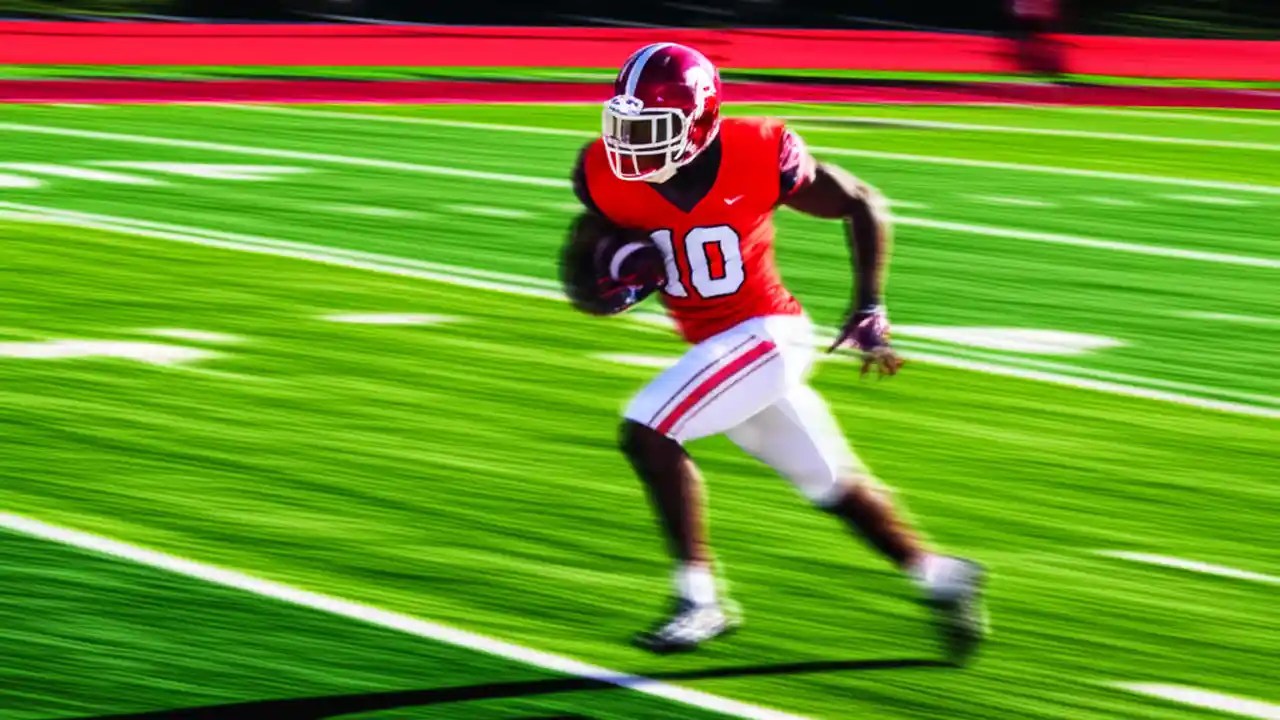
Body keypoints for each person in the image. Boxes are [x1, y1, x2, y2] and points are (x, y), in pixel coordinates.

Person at [564, 42, 988, 662]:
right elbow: (583, 271)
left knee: (647, 429)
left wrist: (869, 304)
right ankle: (941, 576)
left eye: (653, 129)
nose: (634, 144)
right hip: (719, 349)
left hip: (769, 334)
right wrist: (608, 281)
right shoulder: (604, 173)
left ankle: (698, 599)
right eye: (627, 125)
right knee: (831, 484)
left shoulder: (757, 150)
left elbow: (860, 201)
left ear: (702, 122)